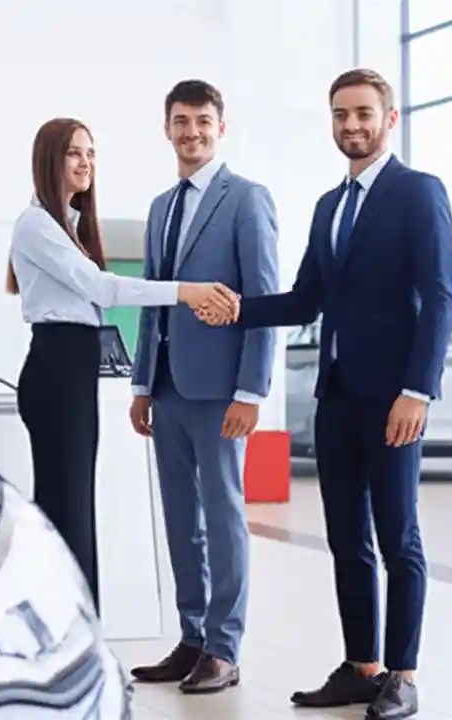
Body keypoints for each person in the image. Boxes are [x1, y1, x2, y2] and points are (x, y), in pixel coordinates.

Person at [213, 68, 452, 720]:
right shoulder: (328, 207)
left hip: (394, 401)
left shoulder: (417, 193)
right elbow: (305, 299)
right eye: (340, 115)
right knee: (347, 540)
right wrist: (232, 308)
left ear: (389, 118)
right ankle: (361, 666)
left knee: (398, 538)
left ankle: (402, 674)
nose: (351, 126)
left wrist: (418, 390)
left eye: (362, 114)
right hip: (338, 398)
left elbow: (440, 297)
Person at [6, 117, 239, 613]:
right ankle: (72, 625)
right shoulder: (36, 224)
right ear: (49, 159)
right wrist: (187, 292)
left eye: (90, 153)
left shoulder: (66, 224)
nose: (85, 163)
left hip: (71, 367)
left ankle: (70, 622)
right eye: (74, 153)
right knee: (66, 505)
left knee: (72, 503)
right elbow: (103, 290)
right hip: (55, 368)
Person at [126, 80, 279, 695]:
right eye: (181, 121)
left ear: (221, 126)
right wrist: (142, 381)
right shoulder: (161, 206)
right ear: (167, 128)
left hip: (220, 391)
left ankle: (224, 646)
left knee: (223, 517)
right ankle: (191, 638)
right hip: (166, 387)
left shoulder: (246, 199)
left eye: (203, 121)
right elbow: (152, 301)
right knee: (180, 517)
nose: (192, 132)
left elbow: (262, 299)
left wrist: (251, 391)